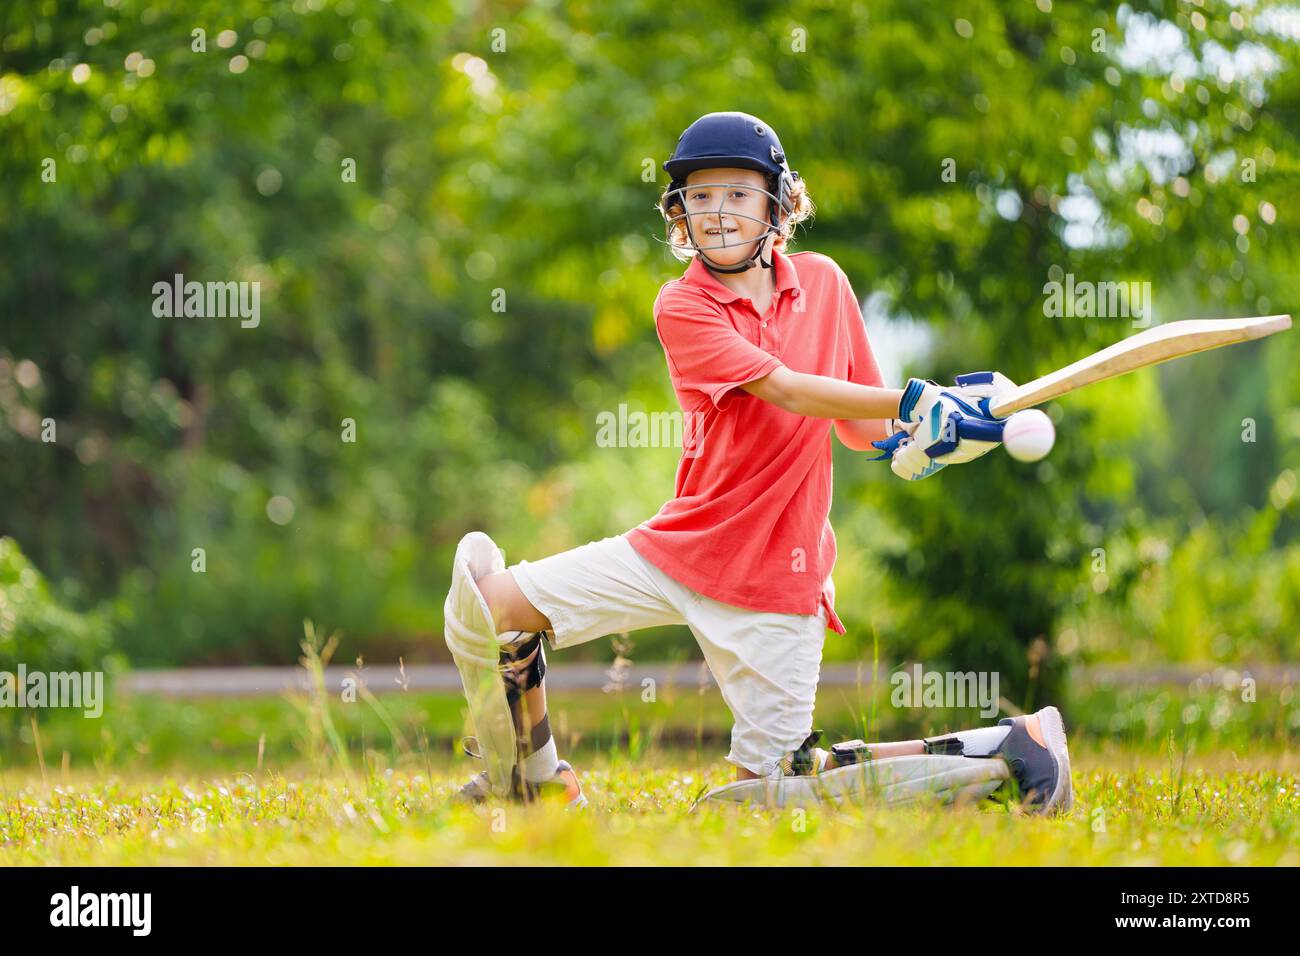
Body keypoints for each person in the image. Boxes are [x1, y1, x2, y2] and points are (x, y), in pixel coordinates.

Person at [443, 111, 1072, 814]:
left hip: (779, 578)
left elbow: (861, 429)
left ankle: (1010, 751)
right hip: (683, 546)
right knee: (482, 610)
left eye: (738, 194)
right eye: (700, 195)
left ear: (777, 204)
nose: (717, 212)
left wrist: (939, 435)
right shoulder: (682, 304)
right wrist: (919, 400)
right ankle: (531, 779)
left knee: (759, 803)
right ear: (679, 210)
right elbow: (784, 387)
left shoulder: (825, 284)